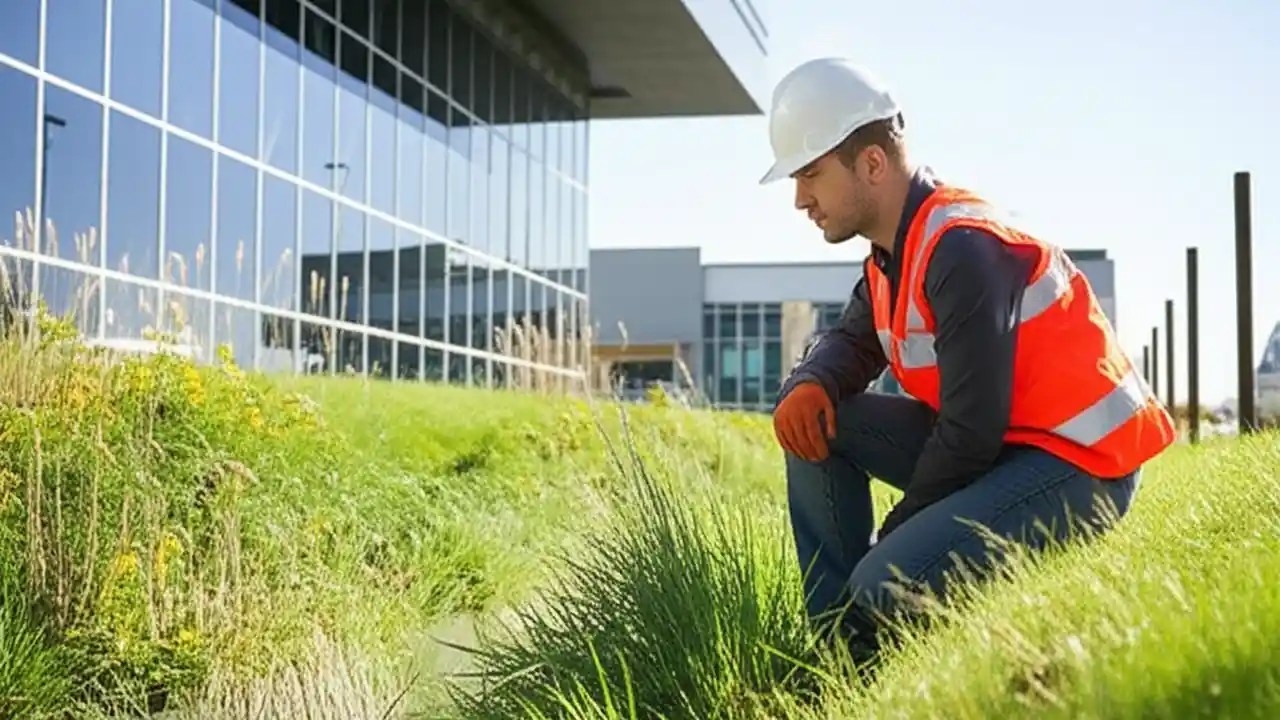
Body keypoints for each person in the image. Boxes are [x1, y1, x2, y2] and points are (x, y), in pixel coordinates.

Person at [760, 58, 1176, 660]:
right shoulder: (890, 255)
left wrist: (896, 533)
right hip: (1008, 449)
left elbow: (969, 431)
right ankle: (838, 657)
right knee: (821, 423)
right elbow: (852, 340)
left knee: (885, 583)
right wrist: (811, 381)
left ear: (871, 163)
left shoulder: (960, 248)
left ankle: (865, 627)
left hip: (1081, 467)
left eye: (811, 175)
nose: (801, 199)